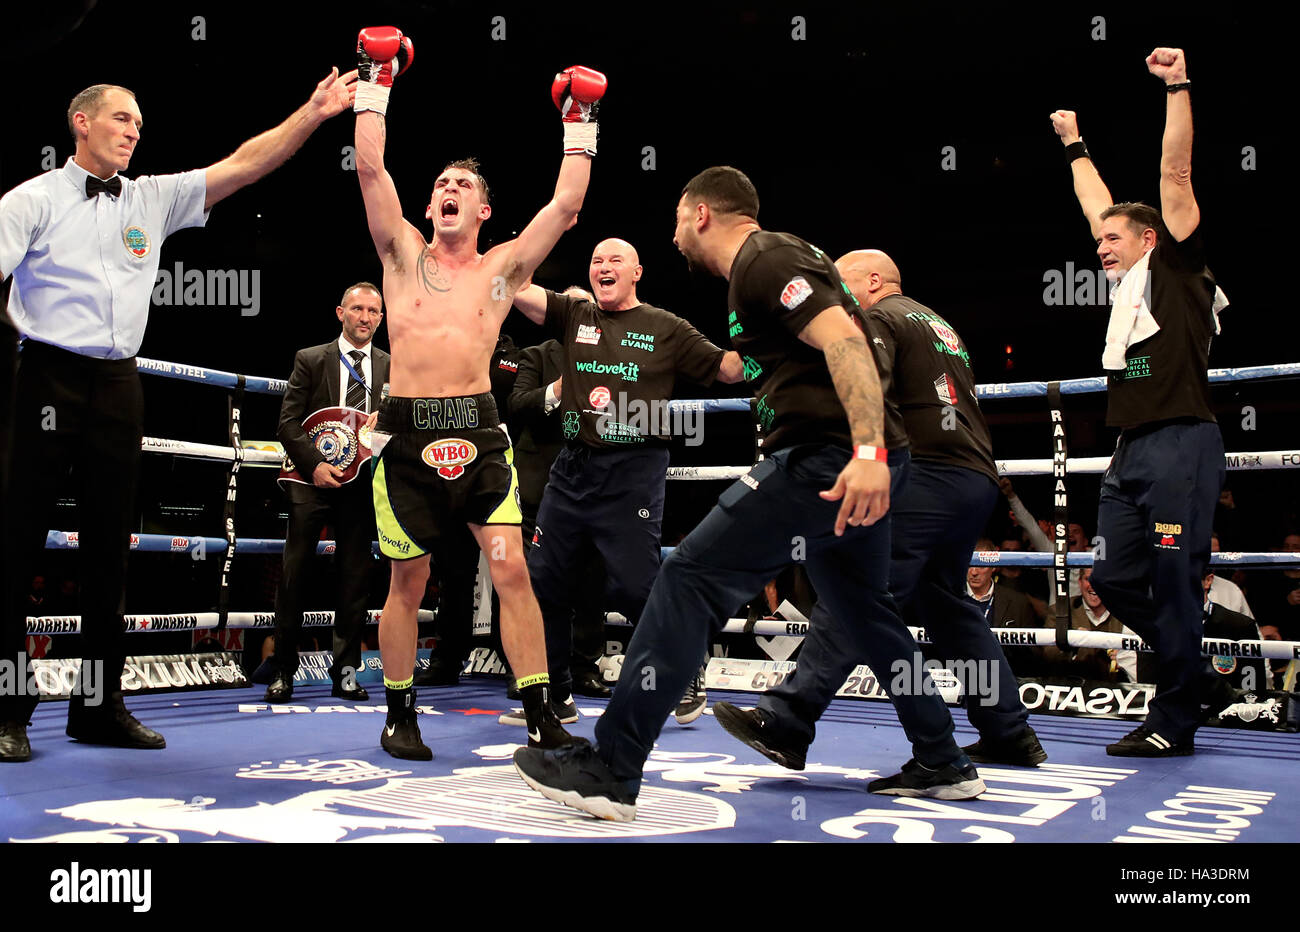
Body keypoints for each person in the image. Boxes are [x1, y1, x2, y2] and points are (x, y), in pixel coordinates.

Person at [514, 166, 985, 822]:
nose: (674, 235)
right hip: (852, 460)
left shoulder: (763, 258)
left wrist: (869, 452)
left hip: (827, 461)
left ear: (701, 213)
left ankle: (610, 768)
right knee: (863, 608)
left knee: (685, 582)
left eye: (678, 220)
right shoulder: (766, 268)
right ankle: (943, 757)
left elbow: (846, 341)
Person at [0, 69, 359, 762]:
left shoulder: (153, 199)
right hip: (43, 376)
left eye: (139, 123)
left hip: (118, 383)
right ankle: (7, 709)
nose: (135, 130)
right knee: (17, 548)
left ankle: (97, 706)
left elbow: (245, 166)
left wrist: (313, 112)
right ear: (82, 123)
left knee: (111, 550)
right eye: (122, 118)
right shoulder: (31, 200)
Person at [351, 25, 600, 759]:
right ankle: (400, 713)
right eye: (440, 186)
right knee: (408, 578)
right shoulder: (398, 253)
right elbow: (369, 167)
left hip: (480, 430)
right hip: (405, 433)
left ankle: (537, 710)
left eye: (463, 186)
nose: (448, 191)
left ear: (485, 210)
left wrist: (578, 120)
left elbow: (566, 208)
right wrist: (376, 76)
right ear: (429, 207)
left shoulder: (502, 270)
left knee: (511, 565)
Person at [715, 250, 1045, 770]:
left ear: (873, 281)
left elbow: (869, 385)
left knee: (859, 597)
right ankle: (1008, 731)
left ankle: (788, 719)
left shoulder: (877, 318)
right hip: (974, 476)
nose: (836, 298)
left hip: (926, 475)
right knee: (948, 606)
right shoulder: (939, 325)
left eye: (843, 286)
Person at [1049, 46, 1226, 756]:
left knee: (1174, 583)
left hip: (1182, 443)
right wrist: (1073, 145)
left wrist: (1178, 84)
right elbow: (1098, 205)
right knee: (1115, 578)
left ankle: (1176, 719)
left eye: (1114, 239)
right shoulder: (1127, 284)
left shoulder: (1177, 267)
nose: (1100, 247)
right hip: (1131, 453)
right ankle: (1194, 674)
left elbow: (1173, 173)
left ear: (1150, 238)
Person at [508, 239, 743, 725]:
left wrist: (775, 340)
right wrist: (494, 260)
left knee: (636, 588)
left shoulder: (666, 327)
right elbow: (516, 290)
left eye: (616, 260)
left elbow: (728, 369)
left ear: (638, 272)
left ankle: (683, 670)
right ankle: (557, 693)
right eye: (596, 259)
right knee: (544, 581)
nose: (604, 267)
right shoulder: (577, 315)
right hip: (572, 469)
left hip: (633, 471)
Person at [263, 281, 389, 703]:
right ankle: (282, 671)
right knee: (295, 574)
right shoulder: (311, 359)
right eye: (357, 309)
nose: (365, 318)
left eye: (373, 311)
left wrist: (383, 433)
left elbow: (399, 425)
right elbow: (287, 422)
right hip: (310, 482)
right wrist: (314, 465)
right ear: (341, 312)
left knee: (355, 580)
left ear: (381, 318)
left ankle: (346, 674)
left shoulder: (392, 366)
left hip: (361, 485)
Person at [508, 300, 611, 699]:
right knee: (532, 580)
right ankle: (525, 671)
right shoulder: (536, 356)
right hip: (540, 484)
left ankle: (584, 667)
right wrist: (558, 389)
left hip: (594, 482)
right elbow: (517, 405)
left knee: (590, 579)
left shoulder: (613, 358)